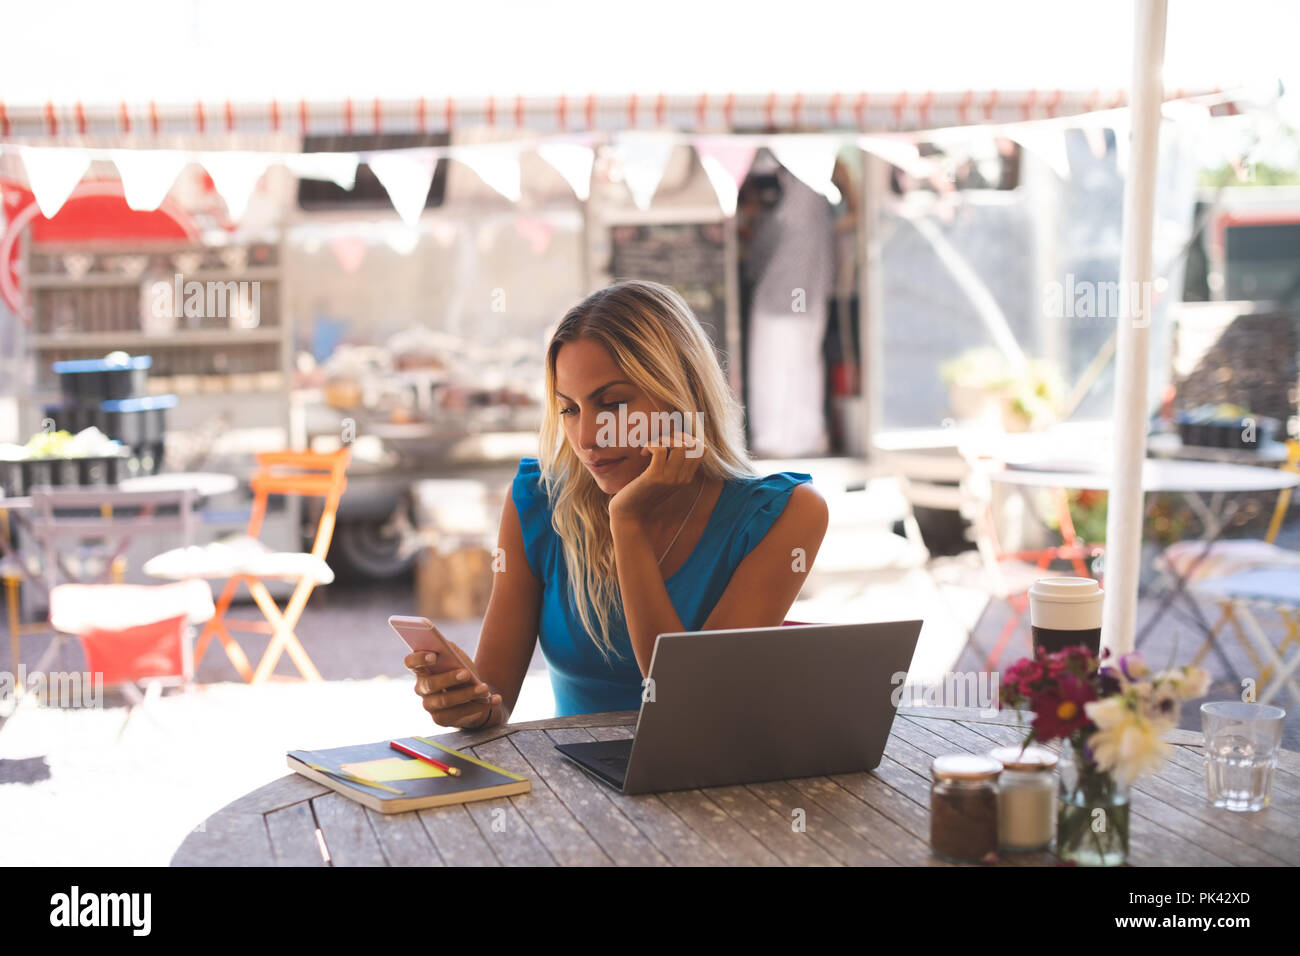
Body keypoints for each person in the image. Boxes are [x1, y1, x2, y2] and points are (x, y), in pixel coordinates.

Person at [406, 279, 829, 727]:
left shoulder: (784, 514)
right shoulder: (539, 503)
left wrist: (627, 521)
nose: (587, 437)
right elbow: (496, 701)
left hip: (711, 784)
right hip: (573, 787)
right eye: (569, 409)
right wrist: (465, 701)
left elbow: (688, 706)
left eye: (611, 404)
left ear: (678, 394)